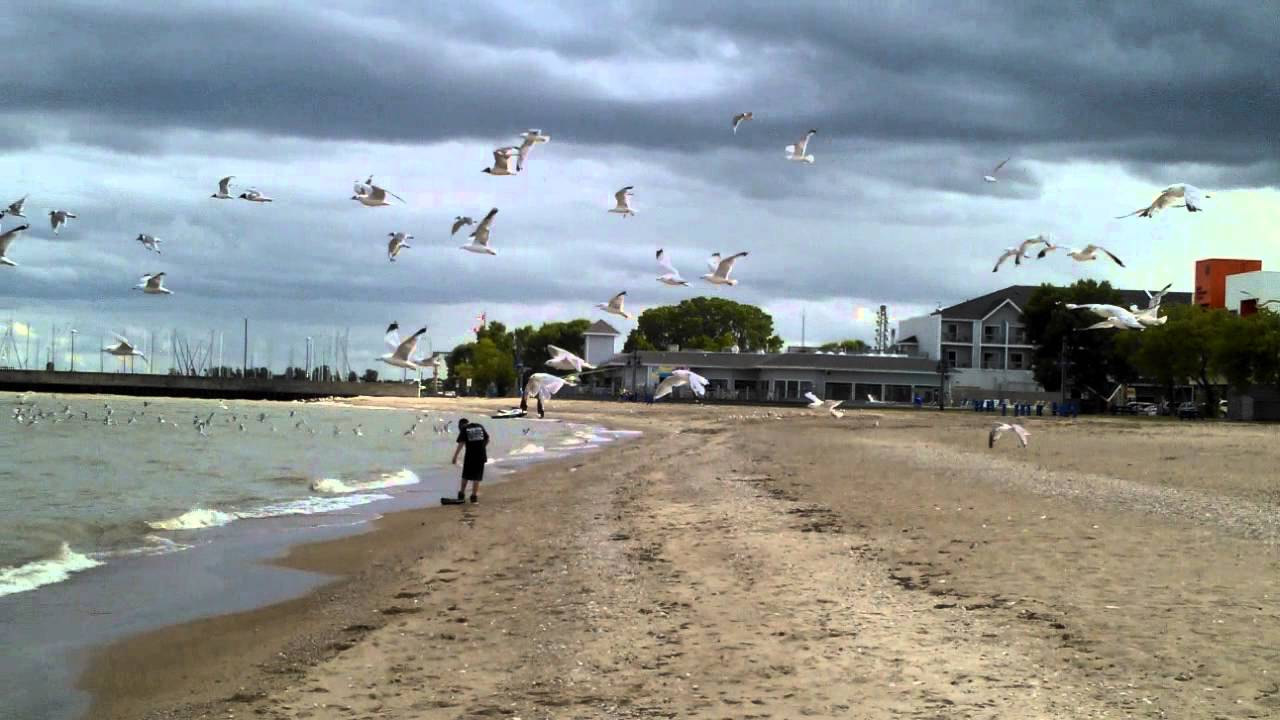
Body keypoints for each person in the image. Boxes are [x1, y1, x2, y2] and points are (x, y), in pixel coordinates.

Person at [450, 418, 490, 503]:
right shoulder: (479, 426)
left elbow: (461, 444)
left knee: (466, 475)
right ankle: (473, 497)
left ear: (460, 426)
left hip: (470, 456)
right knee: (477, 477)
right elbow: (487, 439)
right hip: (481, 455)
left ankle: (461, 495)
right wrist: (481, 448)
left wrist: (455, 457)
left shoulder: (464, 429)